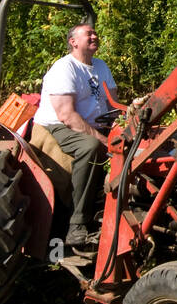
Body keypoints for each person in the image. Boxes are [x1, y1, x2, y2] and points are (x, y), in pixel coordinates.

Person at [34, 23, 118, 248]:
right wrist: (105, 141)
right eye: (88, 33)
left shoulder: (101, 66)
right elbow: (67, 116)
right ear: (73, 42)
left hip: (93, 124)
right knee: (90, 146)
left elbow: (113, 105)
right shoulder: (64, 68)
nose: (95, 36)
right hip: (59, 126)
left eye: (95, 32)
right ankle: (77, 224)